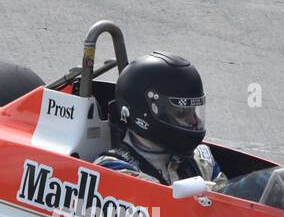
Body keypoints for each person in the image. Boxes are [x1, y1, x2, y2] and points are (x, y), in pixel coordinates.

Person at [93, 52, 226, 187]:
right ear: (144, 113)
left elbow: (231, 198)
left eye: (193, 111)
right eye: (182, 113)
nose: (194, 121)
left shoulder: (201, 160)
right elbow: (154, 200)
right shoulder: (111, 169)